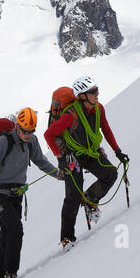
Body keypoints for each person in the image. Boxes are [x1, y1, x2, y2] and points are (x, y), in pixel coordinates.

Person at [0, 106, 63, 278]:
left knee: (6, 235)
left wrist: (57, 174)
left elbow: (41, 161)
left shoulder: (31, 141)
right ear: (17, 126)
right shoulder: (3, 142)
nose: (27, 134)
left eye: (31, 131)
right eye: (24, 130)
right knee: (16, 230)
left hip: (16, 195)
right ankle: (11, 274)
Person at [44, 75, 129, 247]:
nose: (97, 94)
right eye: (93, 91)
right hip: (72, 156)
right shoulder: (70, 115)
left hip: (90, 152)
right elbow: (49, 135)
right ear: (82, 96)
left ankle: (90, 199)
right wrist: (60, 158)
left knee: (110, 174)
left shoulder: (99, 109)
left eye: (96, 90)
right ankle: (66, 237)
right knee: (73, 195)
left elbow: (105, 129)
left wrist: (117, 151)